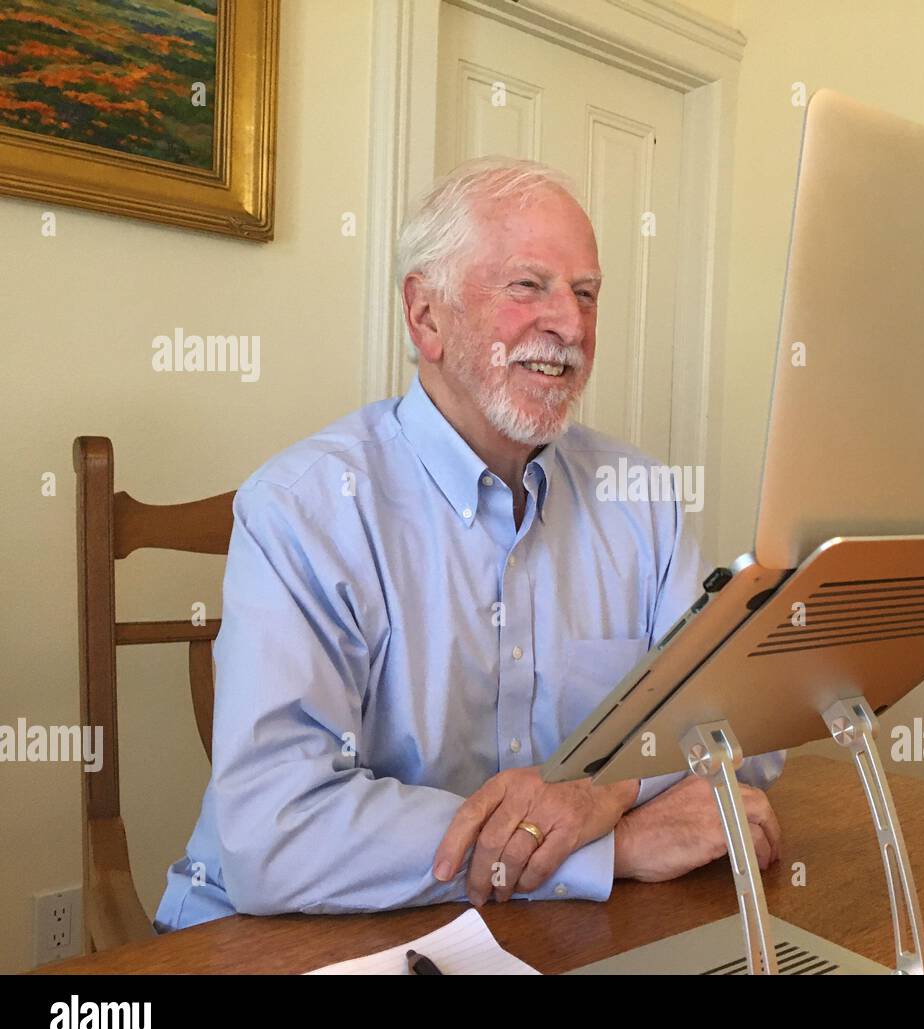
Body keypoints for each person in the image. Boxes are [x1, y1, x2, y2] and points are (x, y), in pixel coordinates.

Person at [155, 157, 785, 930]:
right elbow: (275, 834)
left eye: (586, 294)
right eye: (530, 286)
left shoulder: (642, 498)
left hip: (538, 936)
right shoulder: (304, 509)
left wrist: (605, 791)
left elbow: (748, 732)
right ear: (425, 317)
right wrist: (606, 850)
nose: (572, 325)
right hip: (288, 939)